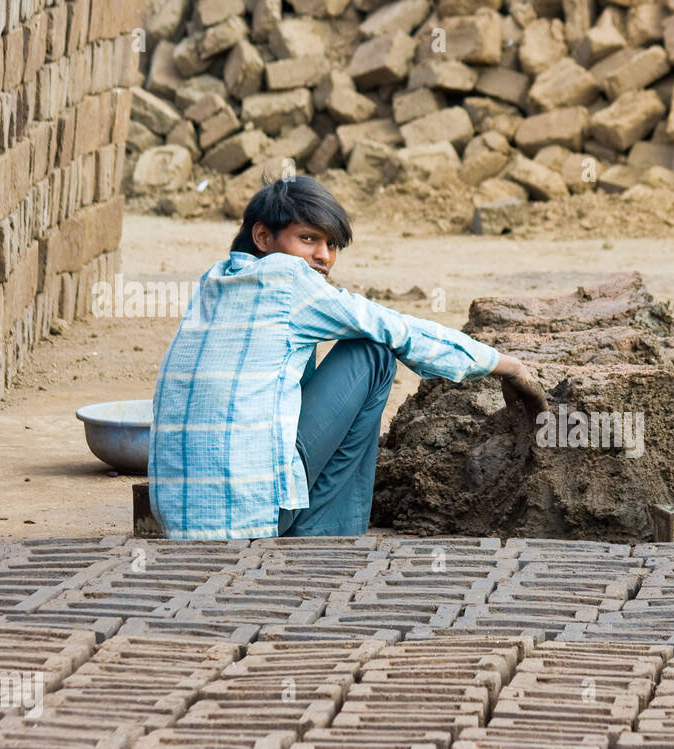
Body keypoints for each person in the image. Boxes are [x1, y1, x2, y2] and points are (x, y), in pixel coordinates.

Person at [148, 176, 547, 539]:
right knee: (372, 351)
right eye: (308, 239)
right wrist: (508, 365)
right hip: (249, 514)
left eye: (331, 245)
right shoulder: (288, 279)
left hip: (178, 517)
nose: (323, 256)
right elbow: (399, 329)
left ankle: (310, 517)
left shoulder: (214, 280)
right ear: (264, 237)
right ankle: (329, 529)